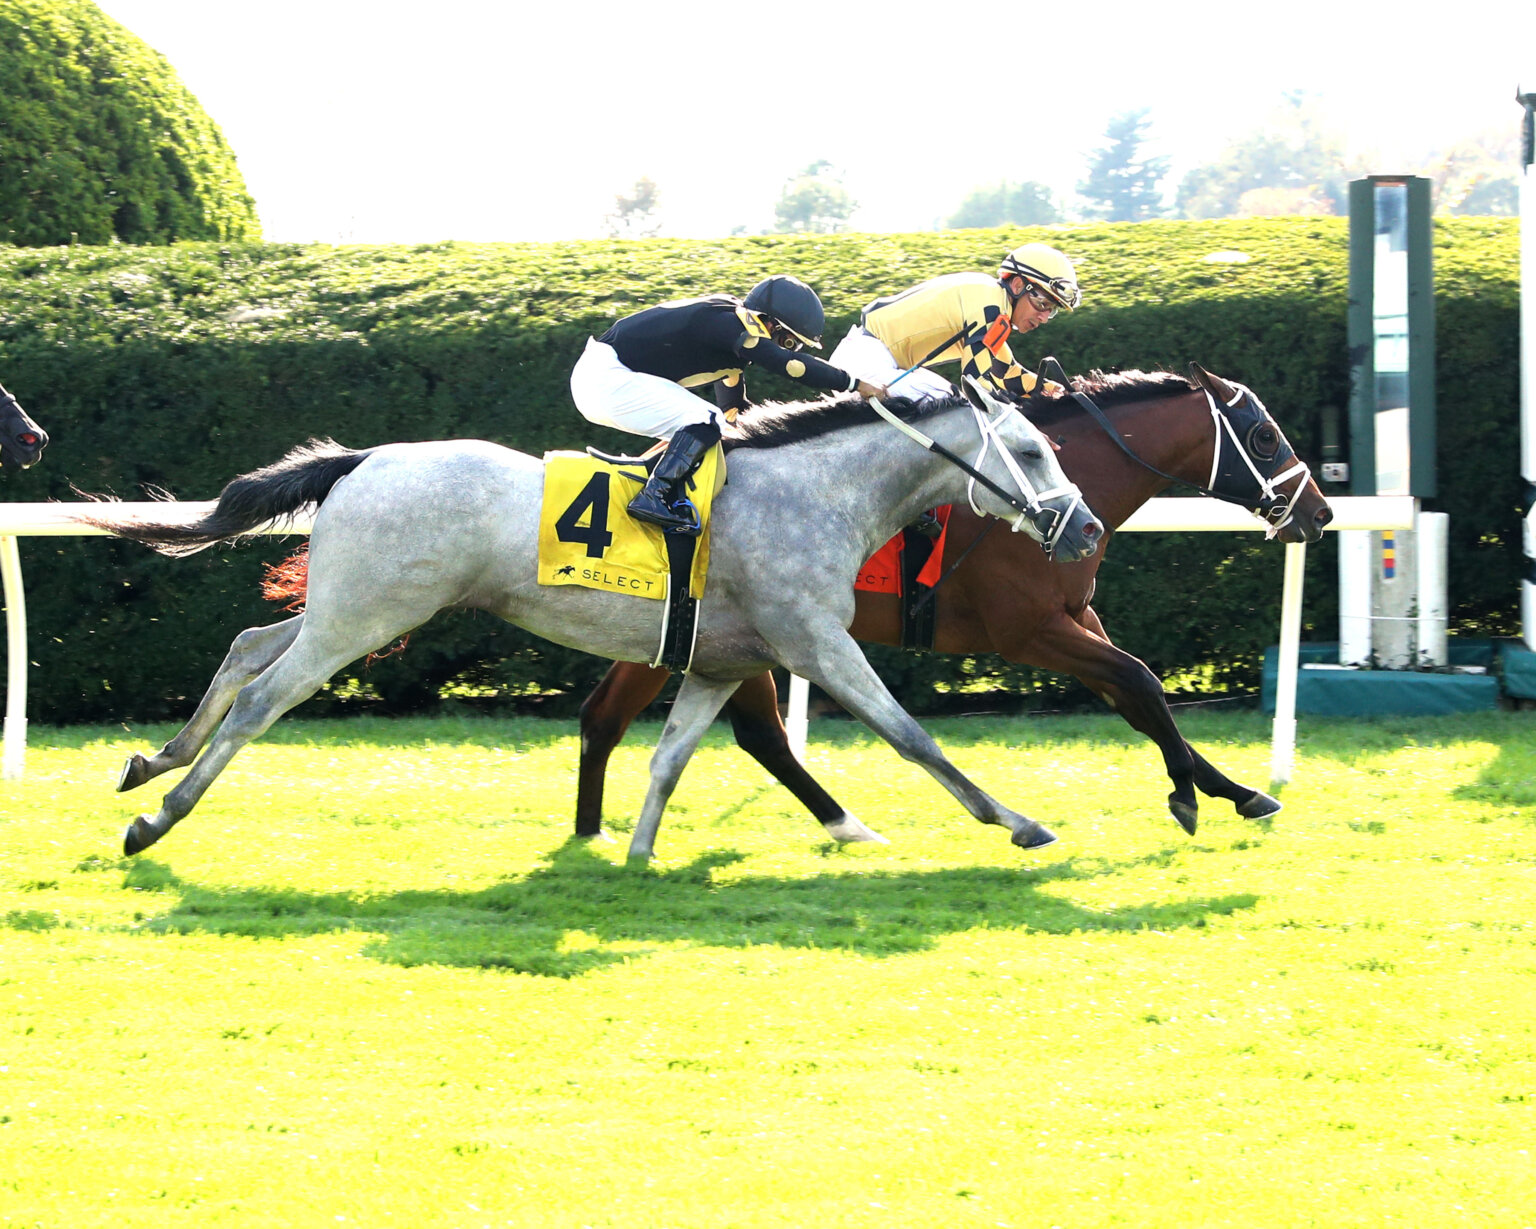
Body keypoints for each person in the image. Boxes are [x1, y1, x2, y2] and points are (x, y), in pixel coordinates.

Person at [571, 275, 888, 534]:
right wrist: (856, 385)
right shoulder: (729, 324)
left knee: (713, 423)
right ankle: (653, 497)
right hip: (605, 377)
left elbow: (734, 412)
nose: (787, 349)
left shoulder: (729, 337)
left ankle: (663, 492)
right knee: (704, 419)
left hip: (604, 377)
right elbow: (790, 366)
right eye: (790, 342)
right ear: (771, 324)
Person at [828, 242, 1080, 404]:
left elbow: (1007, 374)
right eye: (1043, 304)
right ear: (1017, 285)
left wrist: (1057, 390)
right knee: (950, 402)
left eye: (1052, 310)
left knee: (949, 398)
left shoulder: (991, 306)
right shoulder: (990, 304)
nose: (1044, 317)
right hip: (866, 362)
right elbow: (976, 385)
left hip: (869, 358)